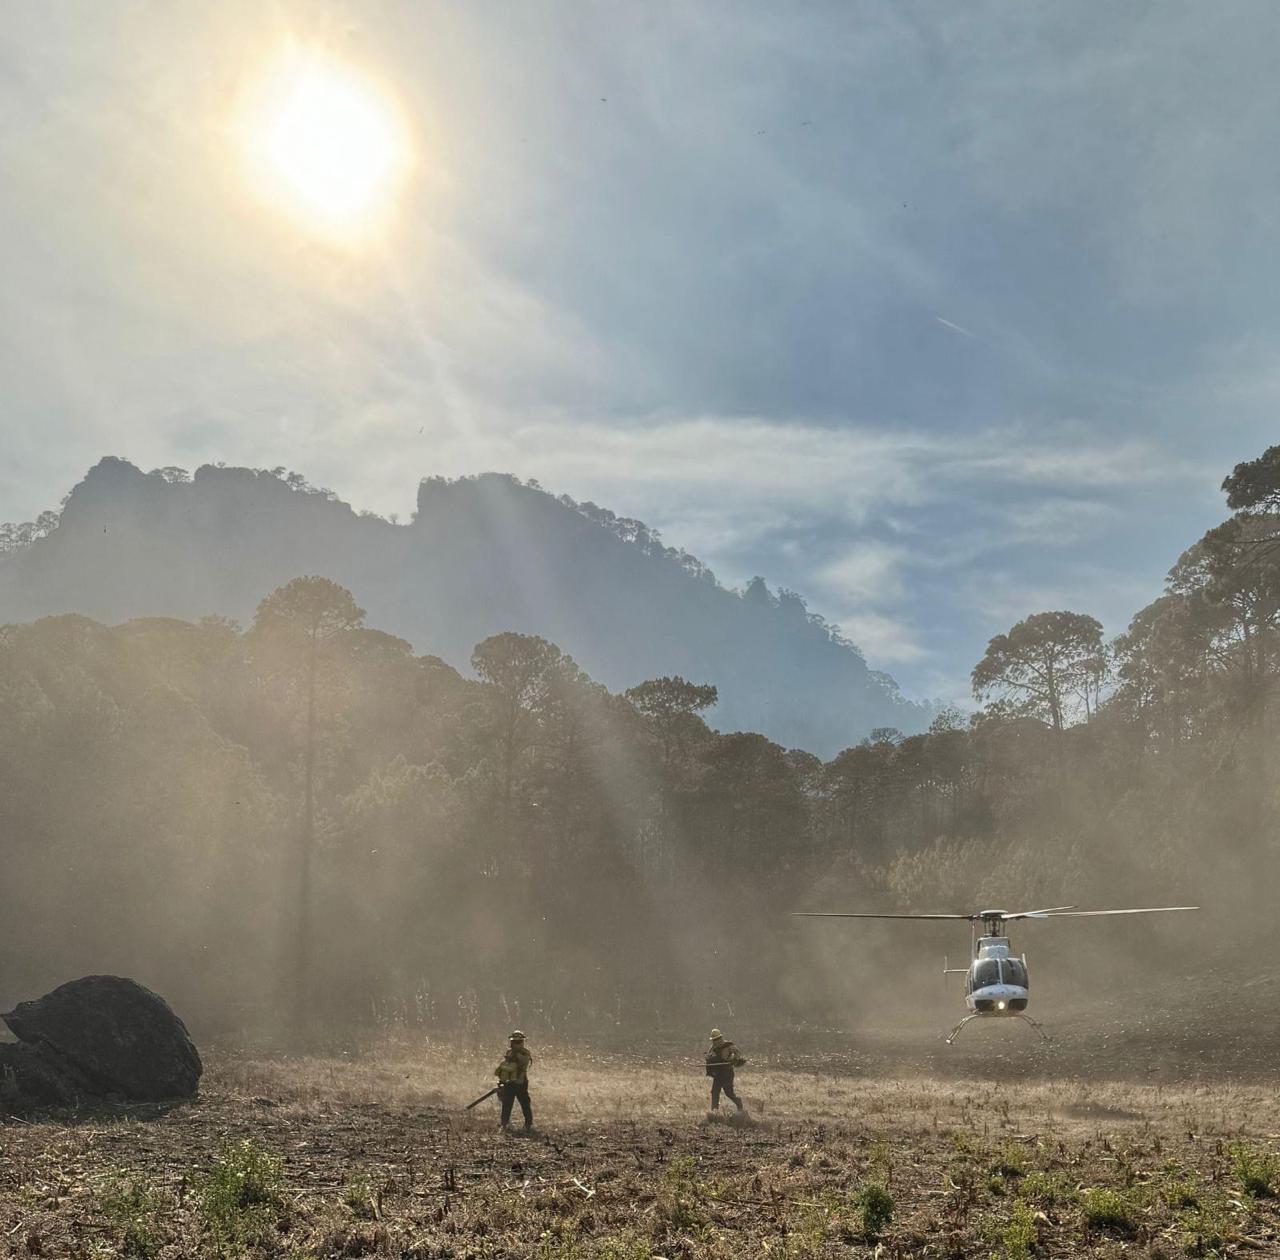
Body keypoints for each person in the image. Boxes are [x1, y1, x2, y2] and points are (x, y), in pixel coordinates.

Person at [495, 1029, 534, 1130]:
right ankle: (504, 1124)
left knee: (525, 1103)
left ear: (522, 1043)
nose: (517, 1044)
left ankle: (528, 1124)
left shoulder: (525, 1053)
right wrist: (502, 1080)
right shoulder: (509, 1053)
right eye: (515, 1042)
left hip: (521, 1083)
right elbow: (506, 1067)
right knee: (507, 1104)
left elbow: (523, 1061)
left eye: (519, 1042)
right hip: (510, 1083)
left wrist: (515, 1054)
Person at [704, 1028, 746, 1112]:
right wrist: (708, 1058)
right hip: (717, 1074)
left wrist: (735, 1059)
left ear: (720, 1038)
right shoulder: (712, 1048)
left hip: (727, 1072)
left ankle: (739, 1103)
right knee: (714, 1092)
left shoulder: (728, 1045)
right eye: (714, 1040)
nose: (715, 1041)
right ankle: (714, 1112)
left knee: (728, 1093)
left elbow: (738, 1053)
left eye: (717, 1039)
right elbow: (709, 1057)